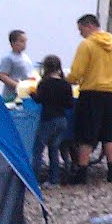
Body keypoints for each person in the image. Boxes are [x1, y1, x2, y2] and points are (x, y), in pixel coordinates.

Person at [66, 13, 112, 184]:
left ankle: (82, 172)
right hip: (110, 94)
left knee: (86, 133)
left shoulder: (87, 45)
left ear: (89, 26)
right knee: (109, 134)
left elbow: (77, 72)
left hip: (91, 94)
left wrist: (68, 80)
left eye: (81, 30)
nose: (80, 34)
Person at [31, 55, 74, 185]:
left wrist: (32, 94)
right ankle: (54, 180)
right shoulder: (66, 84)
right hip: (62, 120)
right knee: (54, 150)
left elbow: (39, 100)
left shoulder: (44, 83)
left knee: (38, 150)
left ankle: (34, 179)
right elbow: (69, 104)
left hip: (48, 119)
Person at [0, 29, 37, 102]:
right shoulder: (8, 58)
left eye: (25, 41)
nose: (24, 44)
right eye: (22, 41)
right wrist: (18, 86)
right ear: (13, 43)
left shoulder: (25, 57)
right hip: (12, 96)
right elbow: (2, 76)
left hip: (26, 95)